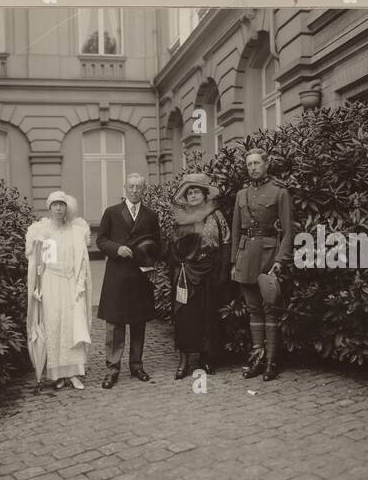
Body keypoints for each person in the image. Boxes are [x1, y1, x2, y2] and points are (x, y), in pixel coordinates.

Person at [229, 148, 294, 381]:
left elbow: (288, 231)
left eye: (257, 163)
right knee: (253, 309)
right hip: (246, 256)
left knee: (270, 309)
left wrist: (279, 261)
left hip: (268, 255)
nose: (253, 167)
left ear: (267, 165)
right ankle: (257, 357)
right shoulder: (241, 195)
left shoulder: (279, 192)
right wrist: (234, 261)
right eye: (249, 164)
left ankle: (271, 361)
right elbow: (236, 231)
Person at [96, 173, 162, 387]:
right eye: (131, 186)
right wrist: (117, 248)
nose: (135, 190)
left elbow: (156, 245)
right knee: (114, 323)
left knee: (138, 321)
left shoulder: (151, 216)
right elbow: (101, 240)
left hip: (140, 276)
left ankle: (137, 365)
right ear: (125, 187)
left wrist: (150, 262)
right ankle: (112, 369)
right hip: (117, 274)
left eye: (139, 187)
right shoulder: (112, 212)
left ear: (144, 190)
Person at [25, 191, 93, 390]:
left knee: (73, 326)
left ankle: (73, 373)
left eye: (62, 205)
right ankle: (57, 375)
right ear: (49, 208)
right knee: (54, 325)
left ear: (67, 208)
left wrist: (80, 283)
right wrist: (38, 287)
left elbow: (81, 261)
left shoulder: (75, 231)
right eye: (54, 205)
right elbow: (40, 264)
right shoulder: (44, 233)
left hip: (71, 283)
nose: (58, 208)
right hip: (51, 282)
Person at [166, 173, 231, 379]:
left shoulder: (216, 215)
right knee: (184, 316)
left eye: (197, 191)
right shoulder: (181, 217)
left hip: (209, 271)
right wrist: (177, 266)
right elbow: (172, 246)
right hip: (185, 273)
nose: (193, 195)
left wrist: (223, 269)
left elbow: (226, 241)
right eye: (190, 192)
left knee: (207, 316)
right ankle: (184, 361)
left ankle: (205, 358)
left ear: (205, 194)